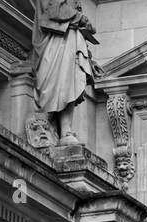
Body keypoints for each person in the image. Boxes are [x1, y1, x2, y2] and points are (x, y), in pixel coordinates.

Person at [32, 0, 97, 145]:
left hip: (69, 37)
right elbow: (53, 10)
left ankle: (66, 130)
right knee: (54, 80)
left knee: (70, 81)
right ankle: (47, 123)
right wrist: (80, 18)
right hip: (54, 40)